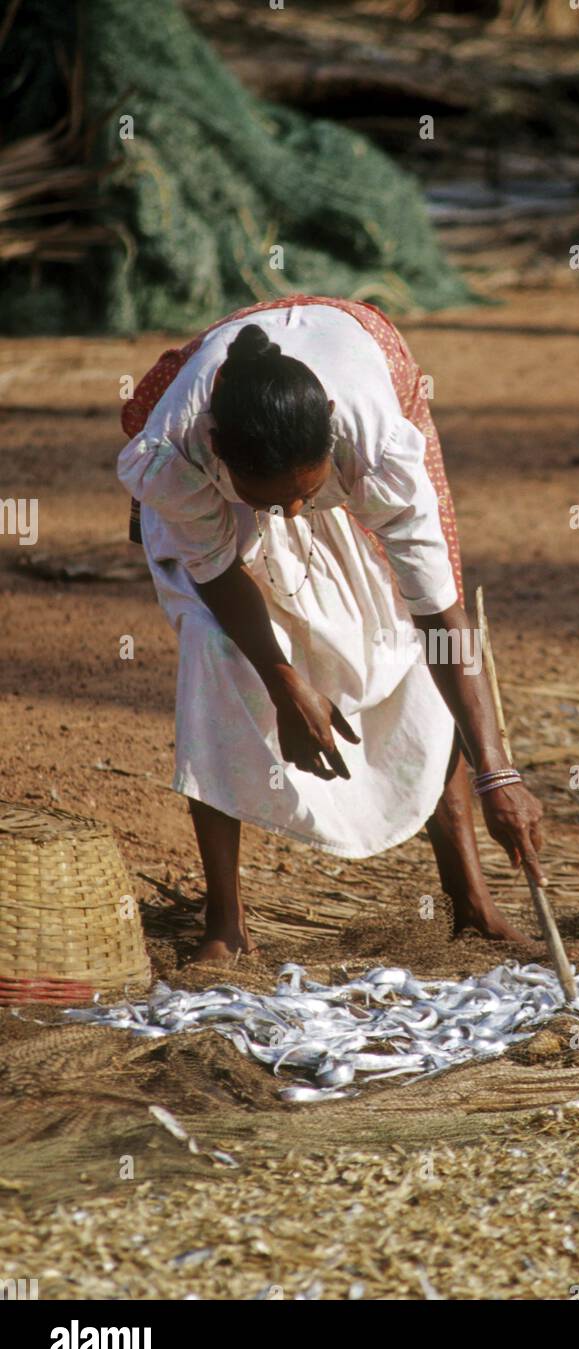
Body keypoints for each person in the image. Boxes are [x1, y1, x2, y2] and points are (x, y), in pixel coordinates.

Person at [118, 295, 545, 960]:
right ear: (220, 455)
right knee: (213, 647)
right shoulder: (180, 451)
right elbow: (216, 570)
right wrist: (285, 684)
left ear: (335, 440)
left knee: (407, 636)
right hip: (223, 466)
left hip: (352, 377)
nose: (291, 514)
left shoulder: (375, 443)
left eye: (304, 496)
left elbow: (439, 614)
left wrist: (498, 773)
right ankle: (225, 926)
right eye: (271, 501)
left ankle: (471, 902)